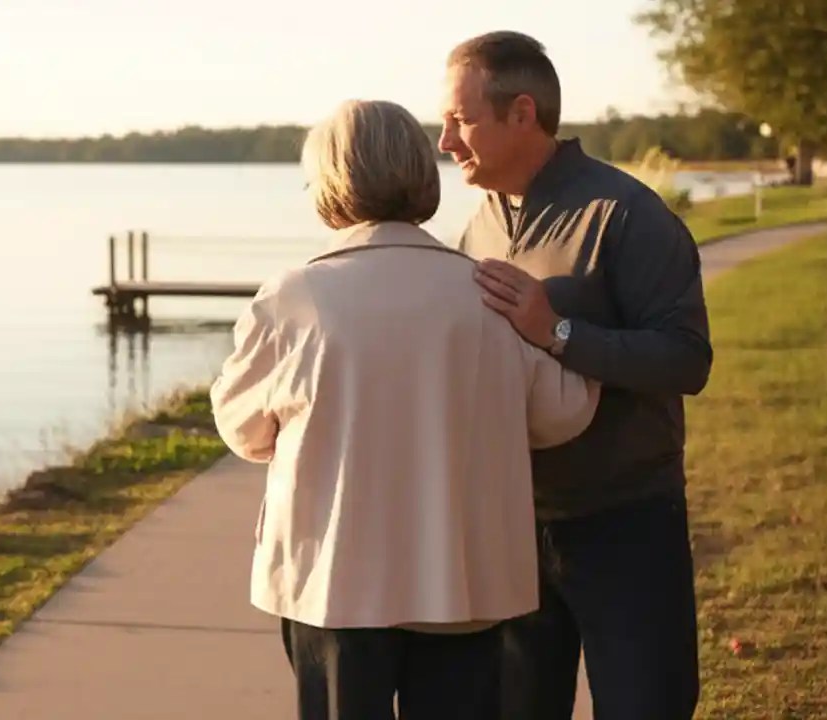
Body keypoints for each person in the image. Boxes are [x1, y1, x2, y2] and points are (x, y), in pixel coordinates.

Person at [210, 98, 600, 720]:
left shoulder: (296, 296)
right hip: (461, 579)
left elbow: (242, 428)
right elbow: (560, 415)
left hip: (332, 583)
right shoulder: (487, 292)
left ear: (332, 183)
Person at [437, 31, 713, 720]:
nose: (446, 141)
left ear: (522, 113)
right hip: (513, 531)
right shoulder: (479, 226)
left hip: (626, 524)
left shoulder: (626, 214)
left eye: (461, 119)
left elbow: (686, 359)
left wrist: (557, 333)